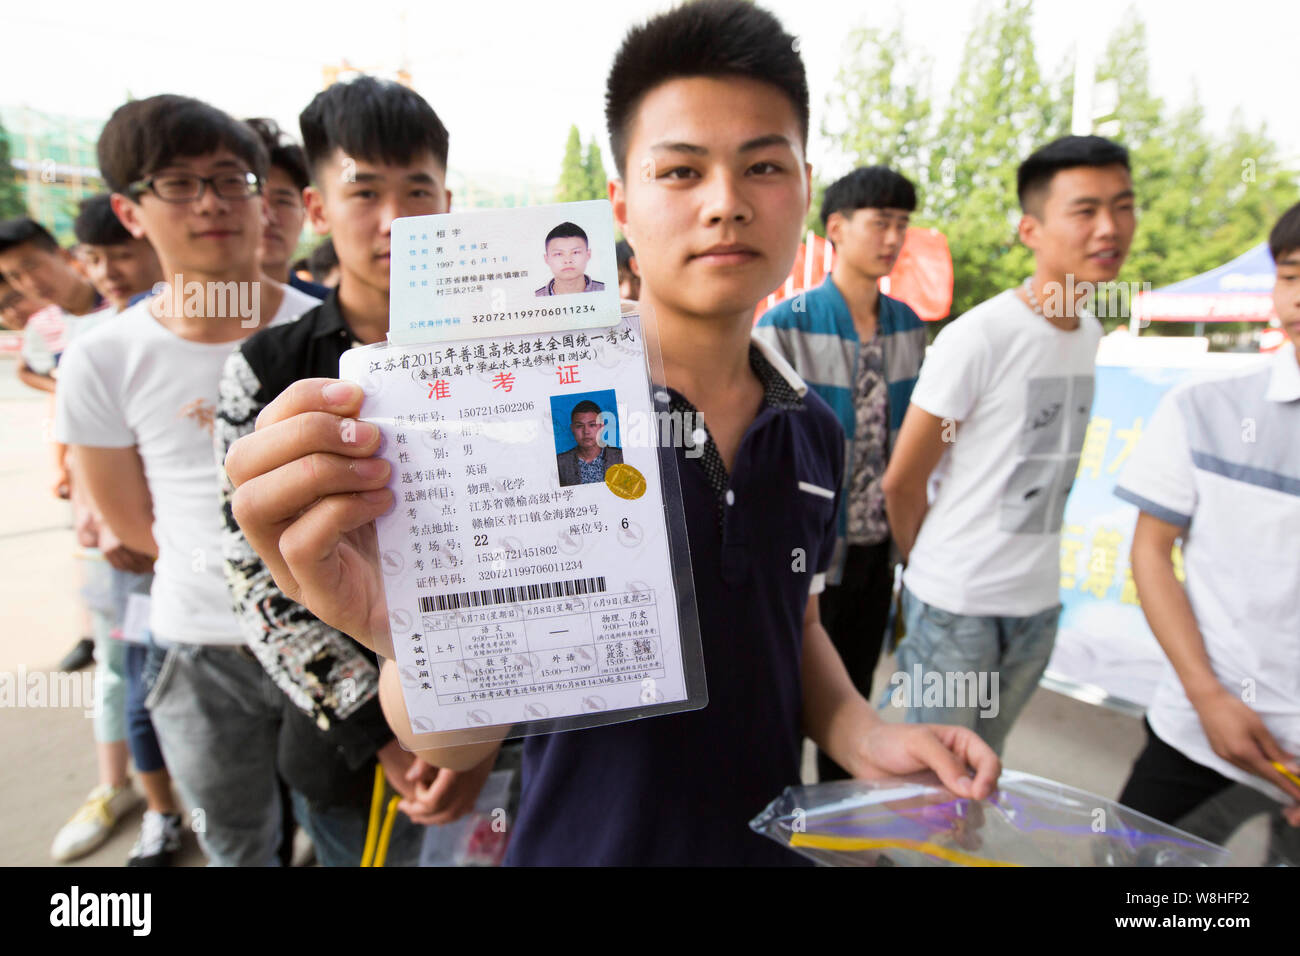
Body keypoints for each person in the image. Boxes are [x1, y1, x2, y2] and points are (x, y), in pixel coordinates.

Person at [225, 0, 1000, 867]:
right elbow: (454, 744)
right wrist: (404, 637)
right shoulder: (521, 422)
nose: (726, 205)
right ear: (620, 204)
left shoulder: (812, 432)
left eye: (764, 166)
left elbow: (799, 621)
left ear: (806, 189)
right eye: (680, 171)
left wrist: (862, 734)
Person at [215, 76, 492, 866]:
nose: (396, 219)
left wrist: (472, 733)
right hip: (350, 757)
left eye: (418, 190)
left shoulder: (506, 355)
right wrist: (383, 736)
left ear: (446, 200)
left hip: (502, 729)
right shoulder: (269, 369)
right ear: (315, 207)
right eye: (364, 191)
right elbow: (252, 576)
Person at [54, 93, 319, 866]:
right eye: (176, 182)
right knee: (237, 842)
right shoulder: (103, 359)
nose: (211, 202)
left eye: (230, 178)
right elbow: (133, 528)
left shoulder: (325, 329)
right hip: (199, 648)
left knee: (348, 835)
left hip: (334, 635)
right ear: (129, 211)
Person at [881, 135, 1135, 754]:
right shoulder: (981, 337)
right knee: (937, 792)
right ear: (1031, 229)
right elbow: (902, 482)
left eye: (1123, 206)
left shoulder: (1089, 330)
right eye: (1084, 210)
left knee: (983, 776)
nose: (1110, 228)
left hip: (1037, 609)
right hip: (957, 607)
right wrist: (934, 576)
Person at [1112, 202, 1300, 864]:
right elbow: (1151, 552)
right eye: (1291, 275)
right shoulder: (1207, 410)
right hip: (1199, 733)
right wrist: (1209, 698)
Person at [755, 166, 926, 781]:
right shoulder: (786, 326)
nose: (892, 237)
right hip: (807, 558)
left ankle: (843, 833)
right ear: (836, 228)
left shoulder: (909, 327)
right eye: (880, 222)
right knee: (788, 695)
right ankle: (788, 831)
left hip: (877, 550)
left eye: (902, 225)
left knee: (854, 694)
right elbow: (769, 451)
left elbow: (911, 441)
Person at [47, 194, 184, 865]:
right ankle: (161, 811)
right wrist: (94, 520)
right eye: (92, 257)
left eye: (118, 254)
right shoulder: (95, 345)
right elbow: (78, 455)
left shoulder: (191, 329)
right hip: (130, 559)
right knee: (136, 688)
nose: (105, 269)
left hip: (180, 556)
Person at [0, 218, 108, 674]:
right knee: (92, 558)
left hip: (132, 468)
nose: (29, 283)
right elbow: (40, 381)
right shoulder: (44, 325)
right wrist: (62, 465)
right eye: (15, 278)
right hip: (88, 466)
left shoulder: (120, 305)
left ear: (64, 255)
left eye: (31, 266)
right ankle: (94, 635)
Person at [244, 118, 329, 300]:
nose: (267, 217)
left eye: (282, 201)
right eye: (255, 199)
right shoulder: (186, 311)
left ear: (307, 211)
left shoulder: (330, 312)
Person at [556, 399, 624, 486]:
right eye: (579, 426)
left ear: (601, 426)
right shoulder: (560, 463)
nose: (586, 431)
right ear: (572, 428)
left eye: (592, 425)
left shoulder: (620, 458)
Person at [535, 221, 605, 296]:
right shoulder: (535, 298)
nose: (568, 260)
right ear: (546, 259)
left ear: (588, 255)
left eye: (575, 252)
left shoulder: (605, 291)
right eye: (558, 254)